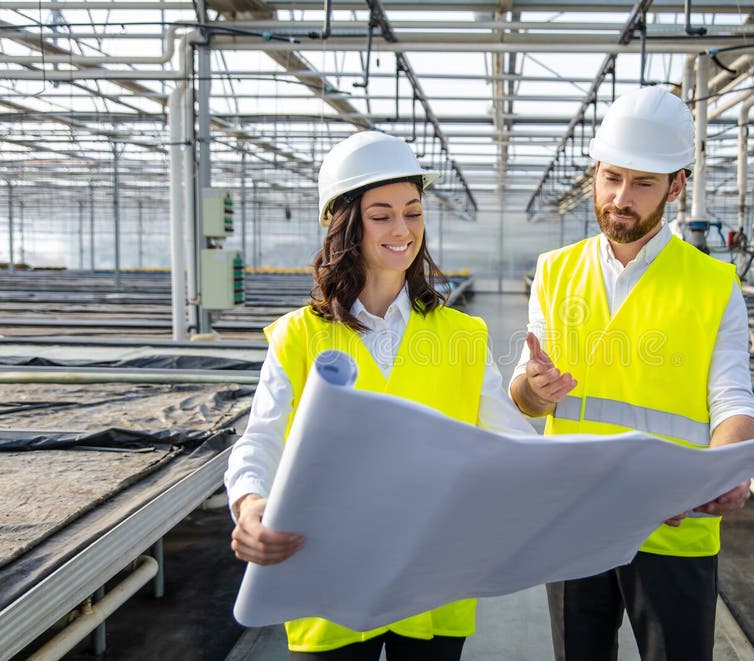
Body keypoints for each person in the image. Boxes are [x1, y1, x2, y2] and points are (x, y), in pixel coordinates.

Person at [224, 130, 534, 661]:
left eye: (413, 212)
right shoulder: (300, 336)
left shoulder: (463, 335)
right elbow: (263, 436)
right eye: (382, 214)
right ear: (347, 224)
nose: (402, 230)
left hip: (433, 570)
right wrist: (249, 502)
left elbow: (510, 441)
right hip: (332, 568)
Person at [509, 86, 754, 661]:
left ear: (676, 185)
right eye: (611, 178)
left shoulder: (713, 285)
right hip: (574, 516)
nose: (621, 198)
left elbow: (733, 401)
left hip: (674, 522)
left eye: (643, 182)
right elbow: (526, 398)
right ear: (595, 172)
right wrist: (534, 388)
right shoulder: (554, 273)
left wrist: (726, 467)